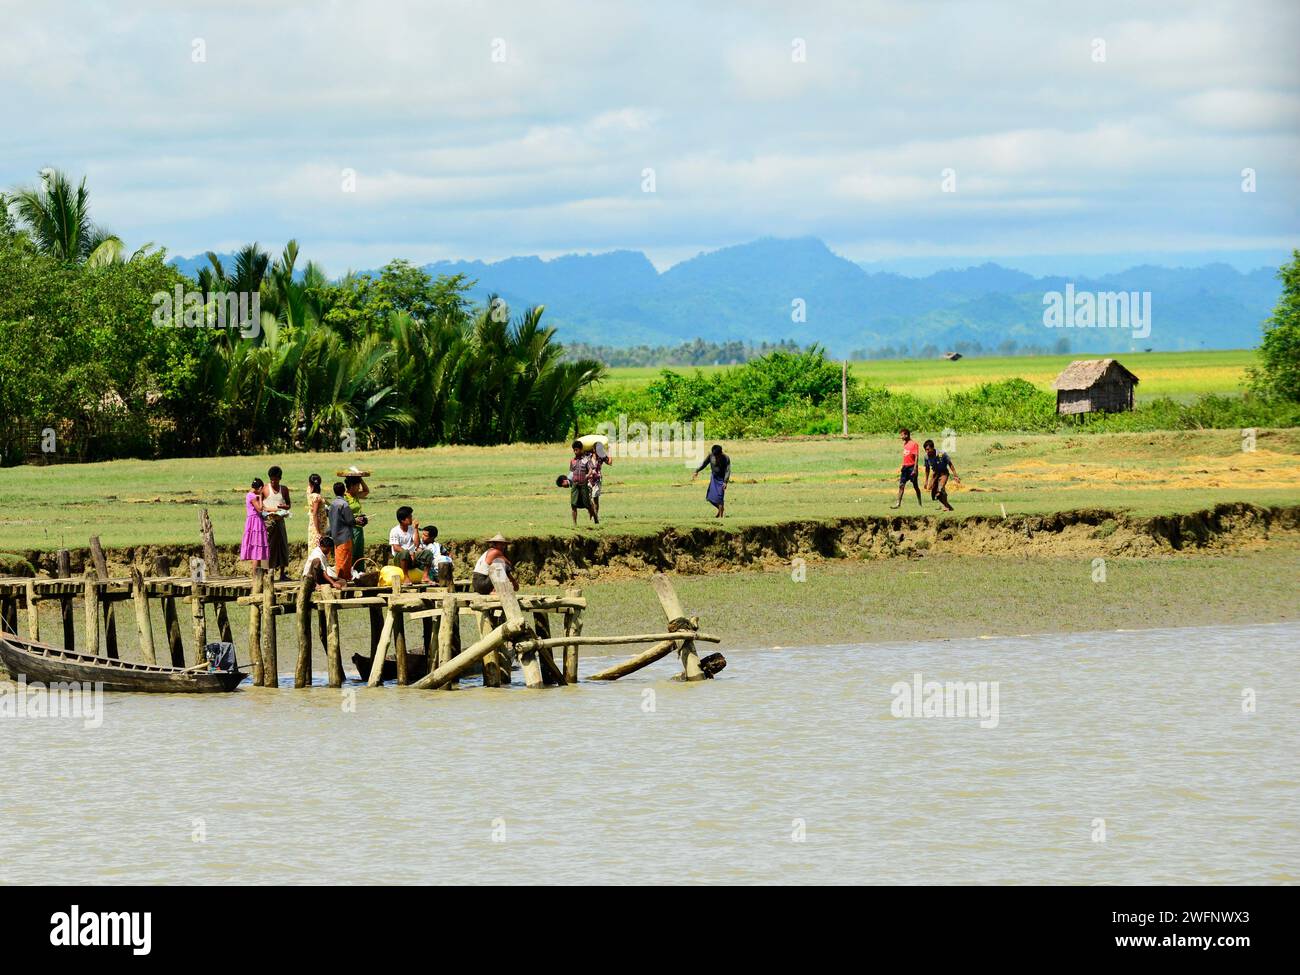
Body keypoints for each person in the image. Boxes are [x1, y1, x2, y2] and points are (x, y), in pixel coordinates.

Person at [262, 465, 291, 580]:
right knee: (269, 546)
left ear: (280, 478)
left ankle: (282, 573)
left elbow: (288, 504)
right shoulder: (265, 489)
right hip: (269, 522)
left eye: (276, 479)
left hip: (280, 521)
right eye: (272, 479)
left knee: (282, 546)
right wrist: (269, 510)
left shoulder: (284, 489)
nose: (274, 482)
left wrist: (285, 507)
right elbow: (260, 505)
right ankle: (268, 573)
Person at [327, 481, 357, 580]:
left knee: (339, 559)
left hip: (335, 536)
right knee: (346, 559)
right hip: (345, 536)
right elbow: (350, 520)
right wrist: (356, 520)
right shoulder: (344, 504)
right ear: (344, 491)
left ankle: (341, 578)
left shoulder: (332, 504)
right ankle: (343, 580)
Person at [692, 443, 731, 518]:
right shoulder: (711, 456)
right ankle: (720, 509)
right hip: (714, 478)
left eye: (717, 456)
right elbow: (704, 464)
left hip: (722, 480)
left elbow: (728, 471)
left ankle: (721, 516)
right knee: (710, 497)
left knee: (720, 497)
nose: (716, 457)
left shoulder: (726, 458)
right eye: (715, 456)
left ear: (721, 453)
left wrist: (725, 482)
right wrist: (697, 471)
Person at [922, 439, 961, 511]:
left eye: (928, 449)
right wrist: (926, 481)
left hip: (944, 473)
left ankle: (945, 506)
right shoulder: (926, 457)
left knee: (940, 489)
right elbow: (927, 469)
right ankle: (948, 506)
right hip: (935, 474)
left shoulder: (941, 454)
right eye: (925, 450)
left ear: (933, 448)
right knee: (934, 495)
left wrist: (955, 475)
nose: (927, 451)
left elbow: (950, 464)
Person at [387, 506, 423, 583]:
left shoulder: (412, 529)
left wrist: (416, 529)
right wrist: (409, 553)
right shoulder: (394, 531)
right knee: (404, 552)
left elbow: (417, 544)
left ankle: (426, 576)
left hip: (412, 556)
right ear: (402, 520)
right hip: (400, 558)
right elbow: (396, 547)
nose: (412, 519)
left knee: (427, 553)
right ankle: (406, 576)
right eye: (409, 517)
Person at [240, 477, 270, 568]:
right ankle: (256, 575)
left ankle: (258, 574)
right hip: (255, 522)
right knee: (256, 550)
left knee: (257, 550)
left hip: (253, 521)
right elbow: (260, 508)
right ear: (260, 488)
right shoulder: (253, 496)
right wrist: (260, 497)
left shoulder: (249, 494)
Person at [891, 428, 923, 509]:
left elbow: (916, 456)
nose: (901, 437)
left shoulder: (914, 444)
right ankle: (898, 503)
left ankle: (920, 503)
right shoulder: (905, 444)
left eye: (902, 435)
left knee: (915, 486)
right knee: (901, 485)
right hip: (905, 467)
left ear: (907, 435)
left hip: (912, 467)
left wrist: (915, 469)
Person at [568, 441, 598, 526]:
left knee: (587, 504)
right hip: (575, 485)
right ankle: (574, 524)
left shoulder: (585, 460)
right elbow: (571, 472)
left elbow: (591, 470)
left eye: (576, 450)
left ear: (581, 450)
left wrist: (587, 476)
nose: (575, 451)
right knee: (573, 505)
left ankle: (595, 518)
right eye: (574, 450)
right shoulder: (572, 461)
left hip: (583, 485)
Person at [345, 474, 370, 564]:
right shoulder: (345, 498)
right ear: (351, 486)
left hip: (359, 529)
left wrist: (360, 479)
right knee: (351, 552)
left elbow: (366, 491)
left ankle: (359, 573)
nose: (359, 488)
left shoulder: (356, 496)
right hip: (350, 528)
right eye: (357, 486)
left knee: (359, 553)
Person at [589, 440, 613, 518]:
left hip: (597, 480)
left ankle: (596, 516)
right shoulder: (587, 455)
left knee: (596, 499)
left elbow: (610, 463)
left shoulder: (602, 456)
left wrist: (610, 452)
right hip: (588, 479)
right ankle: (592, 512)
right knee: (587, 499)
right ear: (593, 449)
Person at [306, 473, 327, 553]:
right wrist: (318, 532)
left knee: (313, 546)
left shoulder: (309, 492)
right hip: (318, 525)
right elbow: (315, 514)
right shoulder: (317, 497)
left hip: (312, 524)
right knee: (318, 548)